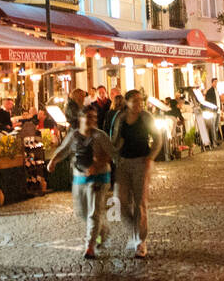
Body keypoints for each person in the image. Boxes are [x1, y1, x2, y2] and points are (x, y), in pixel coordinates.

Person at [47, 103, 117, 258]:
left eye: (94, 117)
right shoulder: (74, 135)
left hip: (99, 178)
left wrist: (98, 163)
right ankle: (102, 231)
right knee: (82, 211)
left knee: (93, 212)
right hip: (80, 177)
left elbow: (113, 155)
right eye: (89, 117)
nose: (92, 120)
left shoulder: (100, 136)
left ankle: (90, 247)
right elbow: (64, 149)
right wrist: (53, 161)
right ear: (81, 118)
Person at [110, 89, 160, 258]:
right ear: (127, 102)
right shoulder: (120, 118)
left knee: (139, 202)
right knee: (120, 201)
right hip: (123, 163)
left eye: (140, 101)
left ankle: (140, 241)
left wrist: (150, 157)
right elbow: (114, 140)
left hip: (141, 162)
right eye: (135, 101)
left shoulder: (146, 118)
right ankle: (135, 229)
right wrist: (114, 158)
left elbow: (158, 138)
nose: (139, 104)